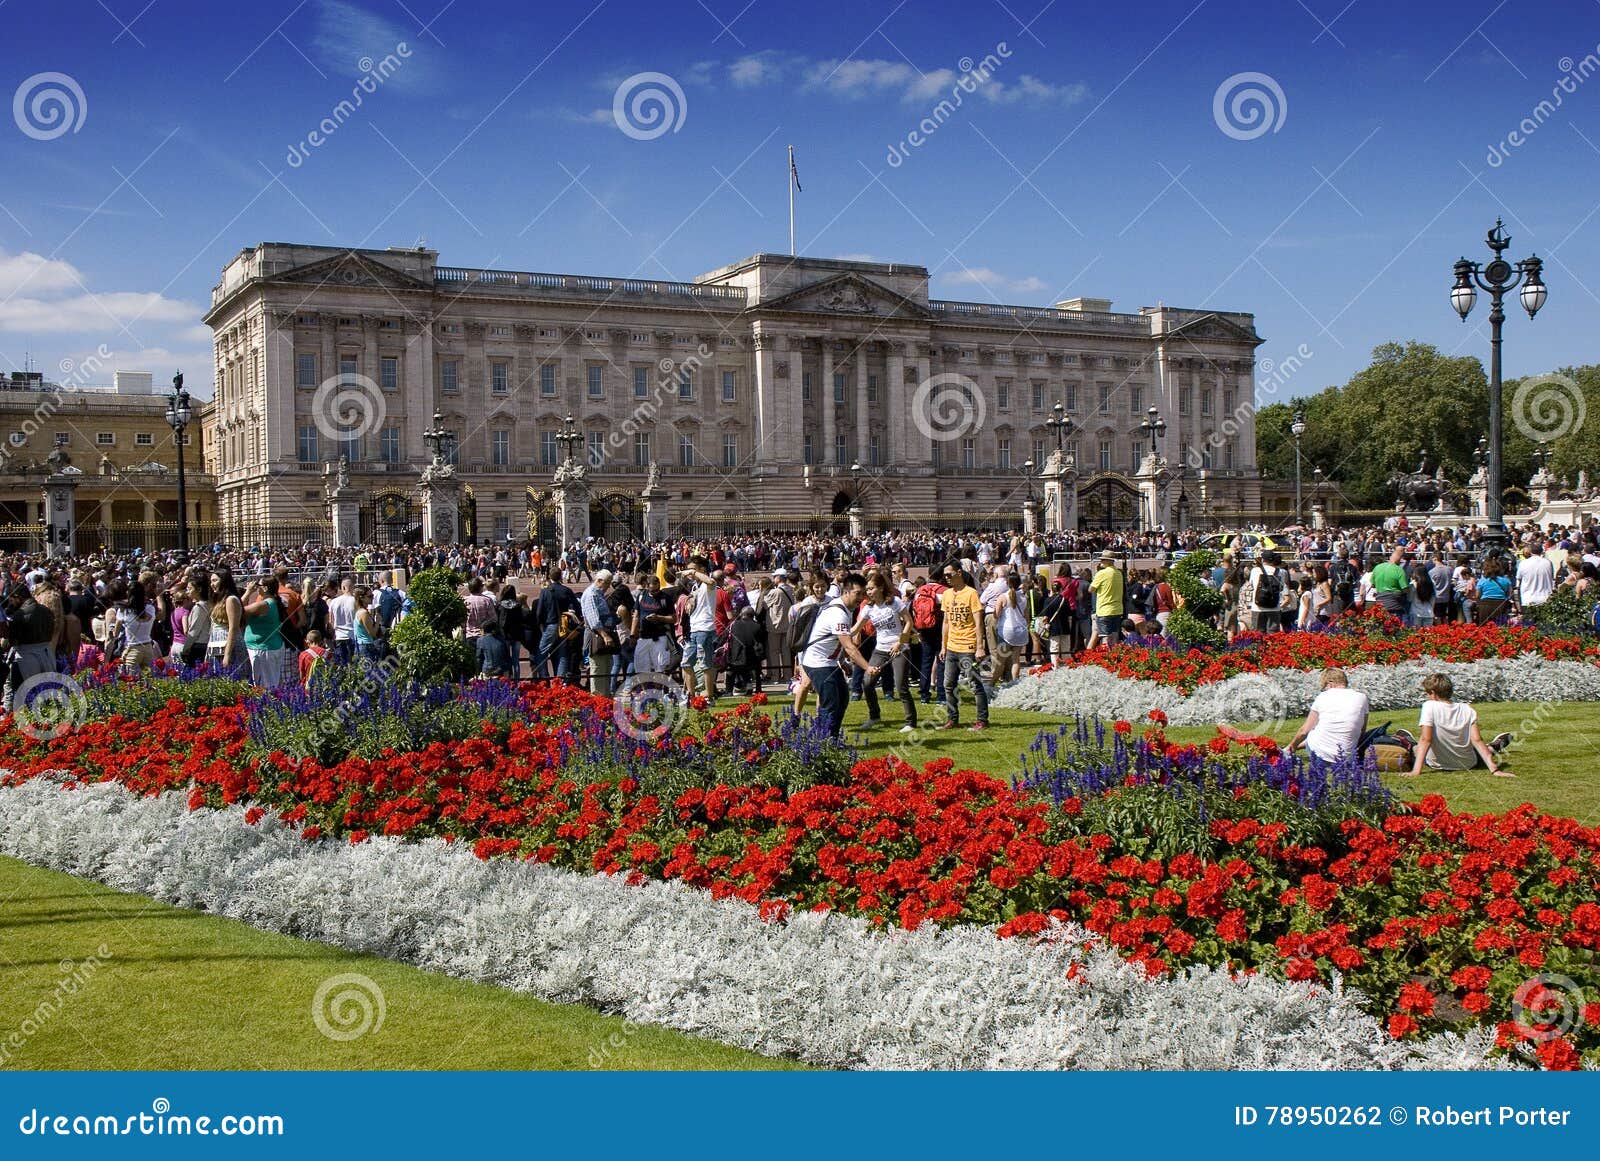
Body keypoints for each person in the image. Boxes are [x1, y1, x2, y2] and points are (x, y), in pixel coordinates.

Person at [797, 571, 878, 738]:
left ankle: (830, 739)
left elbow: (834, 641)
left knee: (842, 698)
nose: (861, 598)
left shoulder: (844, 609)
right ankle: (823, 742)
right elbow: (849, 646)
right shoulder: (839, 613)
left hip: (828, 662)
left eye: (863, 594)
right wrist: (867, 667)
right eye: (858, 594)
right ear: (846, 592)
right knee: (831, 702)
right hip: (818, 663)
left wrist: (842, 661)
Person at [1399, 672, 1514, 778]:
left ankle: (1408, 740)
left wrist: (1416, 771)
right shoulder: (1467, 709)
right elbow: (1477, 740)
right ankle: (1495, 746)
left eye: (1428, 693)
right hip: (1468, 764)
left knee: (1414, 748)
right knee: (1480, 750)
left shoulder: (1429, 706)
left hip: (1436, 763)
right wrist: (1495, 771)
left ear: (1433, 693)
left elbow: (1426, 739)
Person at [855, 571, 915, 731]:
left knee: (901, 685)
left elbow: (909, 622)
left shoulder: (894, 602)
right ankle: (874, 716)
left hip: (899, 648)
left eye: (871, 588)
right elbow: (856, 628)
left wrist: (900, 642)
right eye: (867, 589)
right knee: (867, 683)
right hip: (880, 649)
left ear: (881, 588)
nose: (868, 592)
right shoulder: (868, 608)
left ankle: (910, 722)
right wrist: (839, 634)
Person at [938, 563, 989, 732]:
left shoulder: (971, 594)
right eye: (945, 575)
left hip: (968, 646)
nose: (947, 577)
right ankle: (952, 719)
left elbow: (978, 622)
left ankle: (982, 719)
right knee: (948, 684)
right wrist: (943, 646)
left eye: (949, 574)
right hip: (952, 645)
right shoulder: (946, 594)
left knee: (974, 684)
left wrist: (979, 646)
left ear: (959, 573)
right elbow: (946, 622)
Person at [1287, 667, 1370, 763]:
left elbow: (1304, 731)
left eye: (1323, 687)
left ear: (1329, 684)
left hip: (1320, 754)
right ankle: (1295, 747)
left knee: (1316, 727)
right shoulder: (1362, 697)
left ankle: (1289, 748)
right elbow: (1362, 731)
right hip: (1347, 756)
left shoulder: (1323, 696)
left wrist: (1292, 745)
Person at [2, 576, 56, 712]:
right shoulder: (46, 610)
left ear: (17, 597)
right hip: (46, 654)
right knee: (45, 690)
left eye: (11, 599)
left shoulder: (20, 615)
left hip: (25, 657)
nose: (10, 602)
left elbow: (12, 641)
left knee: (21, 691)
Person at [240, 576, 289, 687]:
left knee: (264, 685)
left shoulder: (263, 605)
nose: (257, 588)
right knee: (272, 682)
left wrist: (248, 592)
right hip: (271, 646)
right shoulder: (275, 602)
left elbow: (237, 609)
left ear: (265, 588)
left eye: (259, 586)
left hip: (261, 649)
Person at [581, 569, 619, 697]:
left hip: (603, 633)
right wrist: (605, 635)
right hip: (597, 635)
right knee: (598, 667)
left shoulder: (598, 593)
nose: (608, 587)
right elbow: (593, 619)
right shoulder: (591, 594)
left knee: (606, 665)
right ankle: (598, 697)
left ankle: (606, 695)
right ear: (599, 581)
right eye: (607, 583)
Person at [207, 568, 245, 673]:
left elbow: (233, 627)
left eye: (215, 580)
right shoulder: (219, 600)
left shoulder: (231, 600)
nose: (212, 584)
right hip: (216, 645)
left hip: (229, 646)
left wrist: (227, 655)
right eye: (211, 581)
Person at [1086, 550, 1124, 649]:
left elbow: (1091, 589)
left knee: (1105, 638)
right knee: (1114, 637)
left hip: (1104, 609)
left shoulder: (1101, 573)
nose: (1101, 562)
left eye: (1103, 560)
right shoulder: (1119, 573)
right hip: (1117, 609)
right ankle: (1115, 657)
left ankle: (1105, 659)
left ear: (1108, 561)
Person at [1247, 549, 1287, 633]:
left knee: (1257, 634)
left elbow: (1251, 585)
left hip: (1258, 607)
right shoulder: (1282, 572)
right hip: (1274, 607)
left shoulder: (1255, 571)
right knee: (1273, 634)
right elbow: (1281, 588)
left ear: (1262, 559)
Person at [1516, 543, 1556, 609]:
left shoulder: (1523, 563)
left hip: (1528, 599)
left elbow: (1518, 581)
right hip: (1545, 599)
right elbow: (1551, 578)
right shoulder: (1548, 563)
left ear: (1530, 551)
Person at [327, 577, 357, 664]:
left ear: (343, 588)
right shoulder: (356, 601)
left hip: (338, 636)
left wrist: (332, 635)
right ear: (352, 587)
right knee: (354, 664)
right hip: (352, 636)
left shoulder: (334, 602)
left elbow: (330, 621)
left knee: (341, 665)